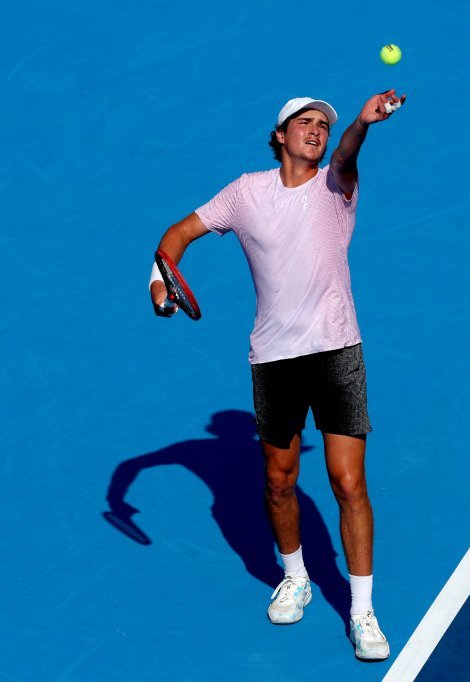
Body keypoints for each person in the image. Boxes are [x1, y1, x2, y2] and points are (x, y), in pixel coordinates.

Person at [148, 90, 406, 661]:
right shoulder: (245, 193)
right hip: (274, 358)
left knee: (347, 482)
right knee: (278, 480)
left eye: (323, 125)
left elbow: (346, 153)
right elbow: (178, 235)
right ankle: (296, 577)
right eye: (305, 123)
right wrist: (159, 279)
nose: (316, 131)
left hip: (337, 350)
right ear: (280, 135)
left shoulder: (336, 185)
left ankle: (362, 612)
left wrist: (363, 122)